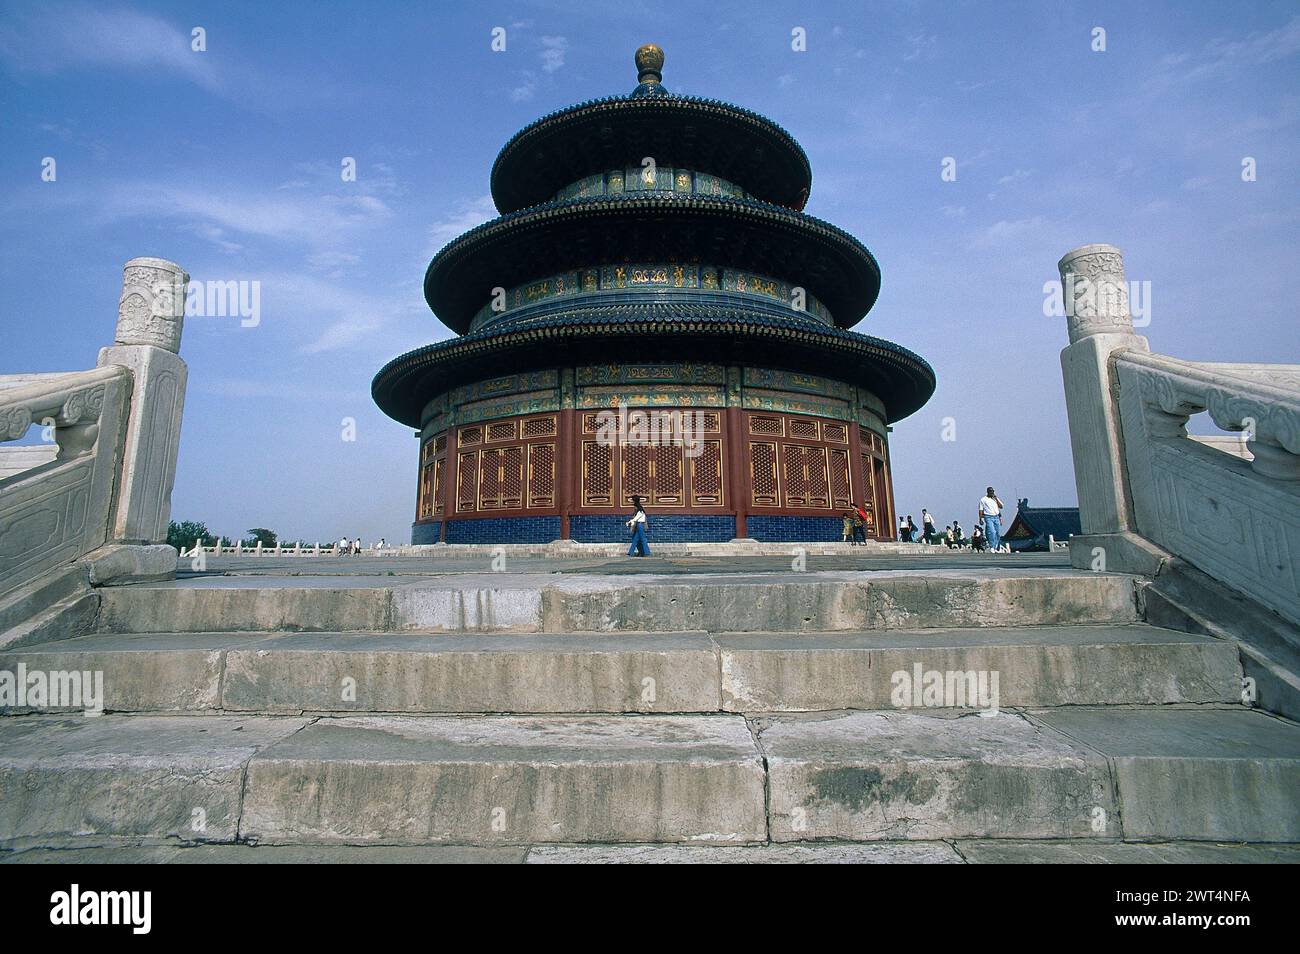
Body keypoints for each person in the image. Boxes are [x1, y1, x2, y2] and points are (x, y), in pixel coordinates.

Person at [978, 486, 1005, 553]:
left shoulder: (995, 499)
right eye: (990, 491)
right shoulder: (983, 499)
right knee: (992, 532)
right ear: (987, 492)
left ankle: (996, 547)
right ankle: (992, 546)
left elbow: (1001, 507)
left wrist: (996, 499)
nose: (992, 493)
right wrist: (980, 519)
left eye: (993, 491)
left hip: (996, 517)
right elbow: (981, 510)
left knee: (997, 533)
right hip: (988, 517)